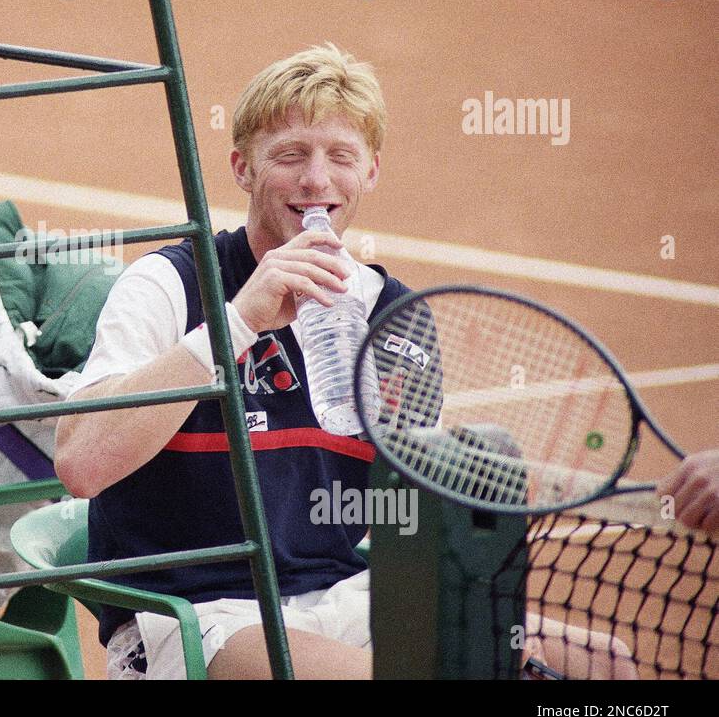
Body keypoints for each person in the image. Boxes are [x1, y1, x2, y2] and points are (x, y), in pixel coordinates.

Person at [55, 43, 635, 680]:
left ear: (372, 171)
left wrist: (470, 520)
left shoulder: (393, 317)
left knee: (601, 665)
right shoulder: (170, 284)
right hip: (195, 617)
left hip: (341, 595)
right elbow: (82, 464)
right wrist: (239, 321)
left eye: (341, 157)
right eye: (291, 155)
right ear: (242, 168)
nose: (316, 180)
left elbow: (389, 515)